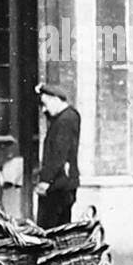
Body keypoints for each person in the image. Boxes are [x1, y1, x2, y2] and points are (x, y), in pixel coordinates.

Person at [36, 83, 80, 228]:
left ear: (55, 99)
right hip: (62, 183)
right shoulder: (67, 117)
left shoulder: (65, 120)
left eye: (45, 104)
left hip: (57, 185)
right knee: (60, 227)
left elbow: (58, 153)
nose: (44, 109)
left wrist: (45, 181)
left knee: (50, 228)